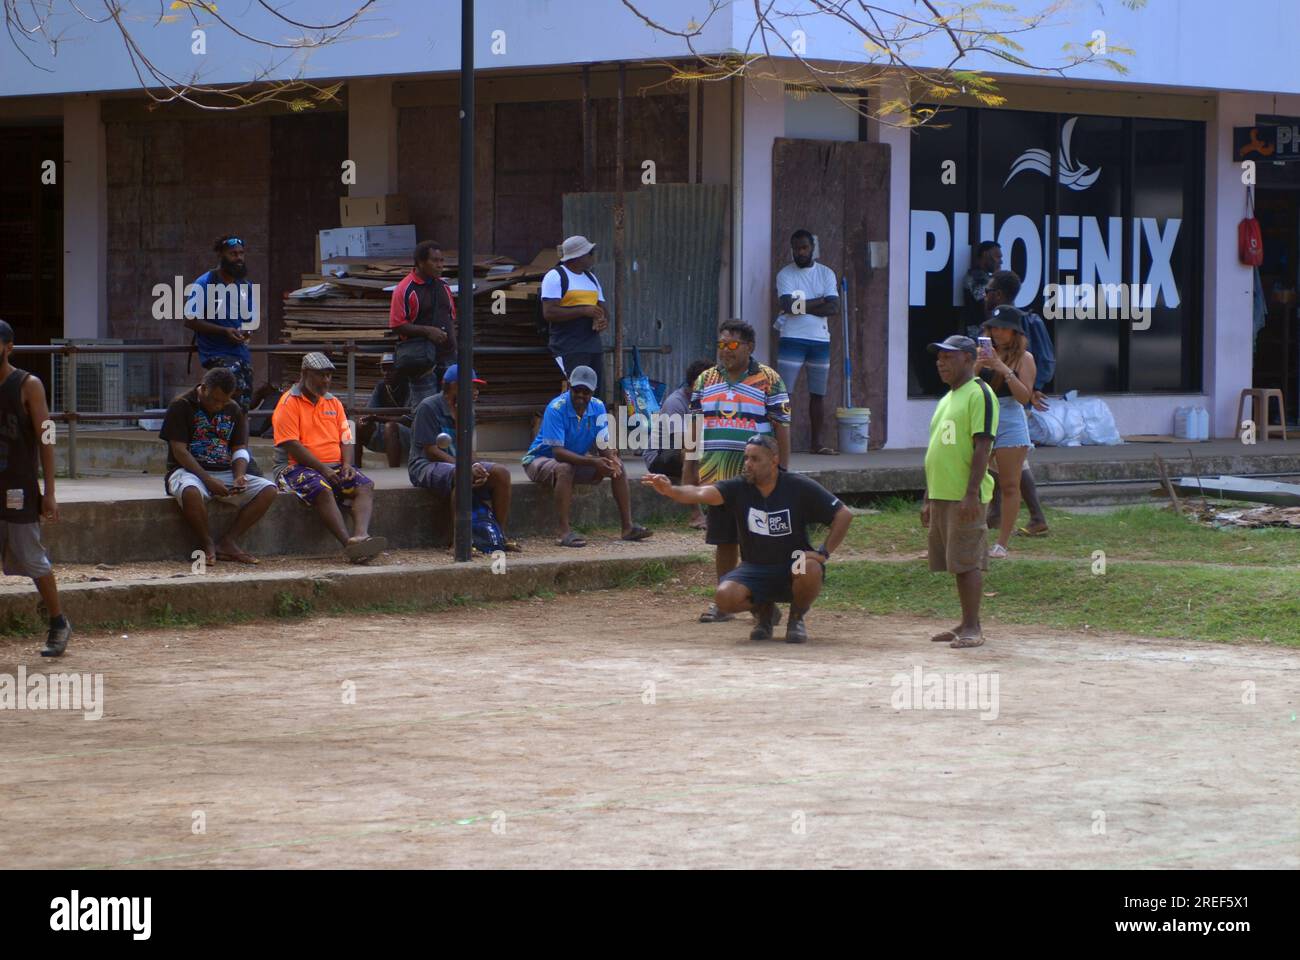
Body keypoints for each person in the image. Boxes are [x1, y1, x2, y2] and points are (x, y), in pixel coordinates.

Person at [643, 435, 852, 643]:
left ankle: (796, 619)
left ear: (774, 461)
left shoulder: (798, 486)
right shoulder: (738, 487)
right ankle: (765, 615)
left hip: (794, 562)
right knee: (724, 597)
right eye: (746, 458)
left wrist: (823, 552)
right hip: (755, 566)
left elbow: (843, 515)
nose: (748, 465)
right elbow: (700, 492)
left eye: (755, 459)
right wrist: (671, 490)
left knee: (810, 568)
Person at [685, 319, 791, 624]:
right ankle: (724, 600)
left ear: (749, 347)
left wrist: (781, 471)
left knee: (758, 542)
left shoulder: (769, 380)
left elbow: (782, 429)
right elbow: (693, 429)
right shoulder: (704, 380)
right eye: (721, 344)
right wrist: (689, 470)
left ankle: (763, 603)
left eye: (732, 345)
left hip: (755, 478)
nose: (725, 351)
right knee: (724, 541)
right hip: (716, 476)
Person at [271, 352, 386, 563]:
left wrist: (348, 464)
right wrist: (323, 469)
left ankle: (361, 536)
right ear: (304, 374)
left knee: (364, 486)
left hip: (333, 466)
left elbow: (347, 437)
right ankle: (349, 545)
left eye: (328, 376)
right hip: (293, 468)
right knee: (321, 488)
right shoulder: (288, 402)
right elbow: (291, 444)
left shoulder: (334, 403)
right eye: (320, 375)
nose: (326, 380)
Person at [922, 335, 998, 649]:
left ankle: (973, 627)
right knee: (956, 561)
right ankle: (964, 621)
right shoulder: (946, 399)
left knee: (968, 561)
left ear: (968, 358)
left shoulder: (980, 393)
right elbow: (935, 449)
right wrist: (927, 496)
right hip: (942, 493)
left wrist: (971, 493)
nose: (941, 363)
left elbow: (983, 445)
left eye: (948, 357)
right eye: (938, 357)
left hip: (964, 495)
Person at [159, 366, 278, 566]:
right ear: (203, 389)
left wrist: (239, 475)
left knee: (268, 490)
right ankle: (207, 543)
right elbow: (179, 451)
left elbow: (239, 448)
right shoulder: (181, 405)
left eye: (224, 401)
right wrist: (208, 480)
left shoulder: (232, 408)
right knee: (190, 491)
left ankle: (228, 542)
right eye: (214, 400)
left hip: (224, 471)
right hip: (188, 471)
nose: (218, 406)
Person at [522, 365, 651, 547]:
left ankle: (627, 527)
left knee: (618, 465)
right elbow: (558, 453)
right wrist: (593, 461)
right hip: (539, 460)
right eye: (577, 390)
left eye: (586, 392)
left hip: (575, 460)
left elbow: (602, 444)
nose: (581, 396)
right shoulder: (556, 408)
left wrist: (611, 458)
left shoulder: (598, 407)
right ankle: (563, 532)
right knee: (564, 468)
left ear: (593, 392)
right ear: (569, 387)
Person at [0, 320, 70, 657]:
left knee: (31, 556)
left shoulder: (27, 385)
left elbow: (47, 436)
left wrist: (50, 491)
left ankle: (58, 621)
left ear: (9, 346)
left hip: (18, 486)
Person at [409, 364, 520, 551]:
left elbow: (467, 448)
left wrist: (477, 465)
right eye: (472, 386)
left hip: (456, 464)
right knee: (462, 475)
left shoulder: (468, 410)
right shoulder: (428, 407)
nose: (476, 391)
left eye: (476, 387)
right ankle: (459, 541)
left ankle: (498, 535)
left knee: (501, 473)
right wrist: (465, 467)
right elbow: (431, 450)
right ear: (454, 386)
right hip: (425, 464)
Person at [982, 270, 1050, 538]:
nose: (985, 295)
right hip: (986, 411)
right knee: (994, 468)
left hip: (1011, 411)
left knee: (1015, 470)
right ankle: (998, 513)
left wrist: (1032, 390)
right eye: (993, 328)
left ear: (998, 293)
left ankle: (1033, 517)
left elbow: (1031, 373)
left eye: (989, 291)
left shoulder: (1024, 323)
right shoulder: (989, 334)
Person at [977, 304, 1037, 559]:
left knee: (1010, 484)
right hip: (982, 415)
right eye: (994, 328)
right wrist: (978, 364)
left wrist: (1003, 369)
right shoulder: (981, 352)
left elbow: (1025, 397)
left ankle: (1001, 543)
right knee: (976, 480)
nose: (998, 333)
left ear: (1015, 333)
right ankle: (972, 536)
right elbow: (963, 386)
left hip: (1010, 418)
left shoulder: (1025, 358)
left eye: (1004, 329)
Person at [774, 229, 839, 454]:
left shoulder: (826, 273)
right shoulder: (785, 274)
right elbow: (787, 305)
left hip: (820, 340)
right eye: (796, 248)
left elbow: (833, 307)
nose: (800, 252)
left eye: (804, 248)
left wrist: (801, 305)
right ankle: (782, 445)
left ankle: (816, 444)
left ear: (812, 248)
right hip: (792, 337)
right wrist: (819, 301)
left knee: (818, 394)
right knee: (784, 394)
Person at [184, 235, 256, 411]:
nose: (238, 258)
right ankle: (215, 435)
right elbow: (190, 320)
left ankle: (240, 439)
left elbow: (249, 320)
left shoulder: (245, 286)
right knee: (225, 397)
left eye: (241, 253)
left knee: (244, 402)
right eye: (233, 254)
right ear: (221, 256)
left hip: (240, 354)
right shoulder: (204, 283)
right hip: (215, 352)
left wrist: (246, 332)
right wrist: (224, 331)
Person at [643, 359, 713, 530]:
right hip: (660, 456)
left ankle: (719, 511)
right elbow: (684, 441)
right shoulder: (676, 402)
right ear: (695, 383)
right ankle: (696, 514)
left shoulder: (711, 402)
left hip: (694, 449)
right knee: (691, 454)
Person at [389, 240, 456, 411]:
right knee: (425, 410)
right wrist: (428, 331)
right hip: (421, 361)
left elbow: (451, 317)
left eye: (442, 261)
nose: (440, 265)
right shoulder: (405, 289)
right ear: (420, 262)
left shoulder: (444, 286)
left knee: (450, 408)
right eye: (435, 261)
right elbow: (397, 324)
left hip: (447, 357)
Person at [541, 235, 608, 400]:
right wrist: (583, 311)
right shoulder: (555, 276)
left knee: (596, 395)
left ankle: (593, 425)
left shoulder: (591, 278)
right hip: (569, 347)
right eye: (590, 252)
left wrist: (602, 320)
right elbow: (549, 313)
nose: (593, 256)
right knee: (578, 394)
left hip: (593, 346)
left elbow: (603, 309)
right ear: (578, 257)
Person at [356, 353, 413, 468]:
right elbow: (370, 411)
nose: (387, 373)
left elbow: (408, 420)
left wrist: (379, 418)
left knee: (390, 426)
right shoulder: (381, 386)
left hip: (409, 435)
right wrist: (363, 421)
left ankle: (393, 471)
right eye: (384, 369)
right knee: (356, 425)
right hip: (385, 431)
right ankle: (355, 468)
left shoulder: (410, 386)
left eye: (391, 369)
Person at [962, 241, 1002, 339]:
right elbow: (988, 305)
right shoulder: (976, 278)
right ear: (985, 255)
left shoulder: (985, 278)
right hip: (979, 335)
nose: (1000, 261)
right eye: (997, 257)